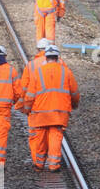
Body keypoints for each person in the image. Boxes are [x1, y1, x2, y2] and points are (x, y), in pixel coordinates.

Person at [18, 42, 79, 171]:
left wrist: (27, 109)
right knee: (55, 136)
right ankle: (54, 165)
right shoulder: (66, 72)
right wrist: (74, 105)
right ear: (57, 57)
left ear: (46, 57)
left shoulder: (37, 73)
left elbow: (30, 95)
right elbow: (74, 93)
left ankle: (39, 164)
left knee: (39, 137)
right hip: (59, 112)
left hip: (40, 112)